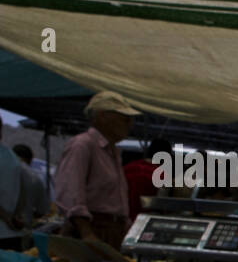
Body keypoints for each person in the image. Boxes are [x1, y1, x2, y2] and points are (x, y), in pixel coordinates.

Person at [52, 90, 140, 249]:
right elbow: (71, 192)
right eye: (124, 119)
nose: (130, 124)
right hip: (91, 230)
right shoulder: (83, 145)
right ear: (102, 116)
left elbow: (117, 203)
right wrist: (87, 233)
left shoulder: (113, 152)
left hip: (113, 232)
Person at [122, 138, 172, 218]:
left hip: (121, 218)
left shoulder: (127, 168)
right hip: (141, 221)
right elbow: (161, 205)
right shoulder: (162, 176)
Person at [10, 144, 49, 228]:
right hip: (21, 227)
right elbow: (41, 211)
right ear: (30, 160)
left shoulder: (4, 168)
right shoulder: (36, 179)